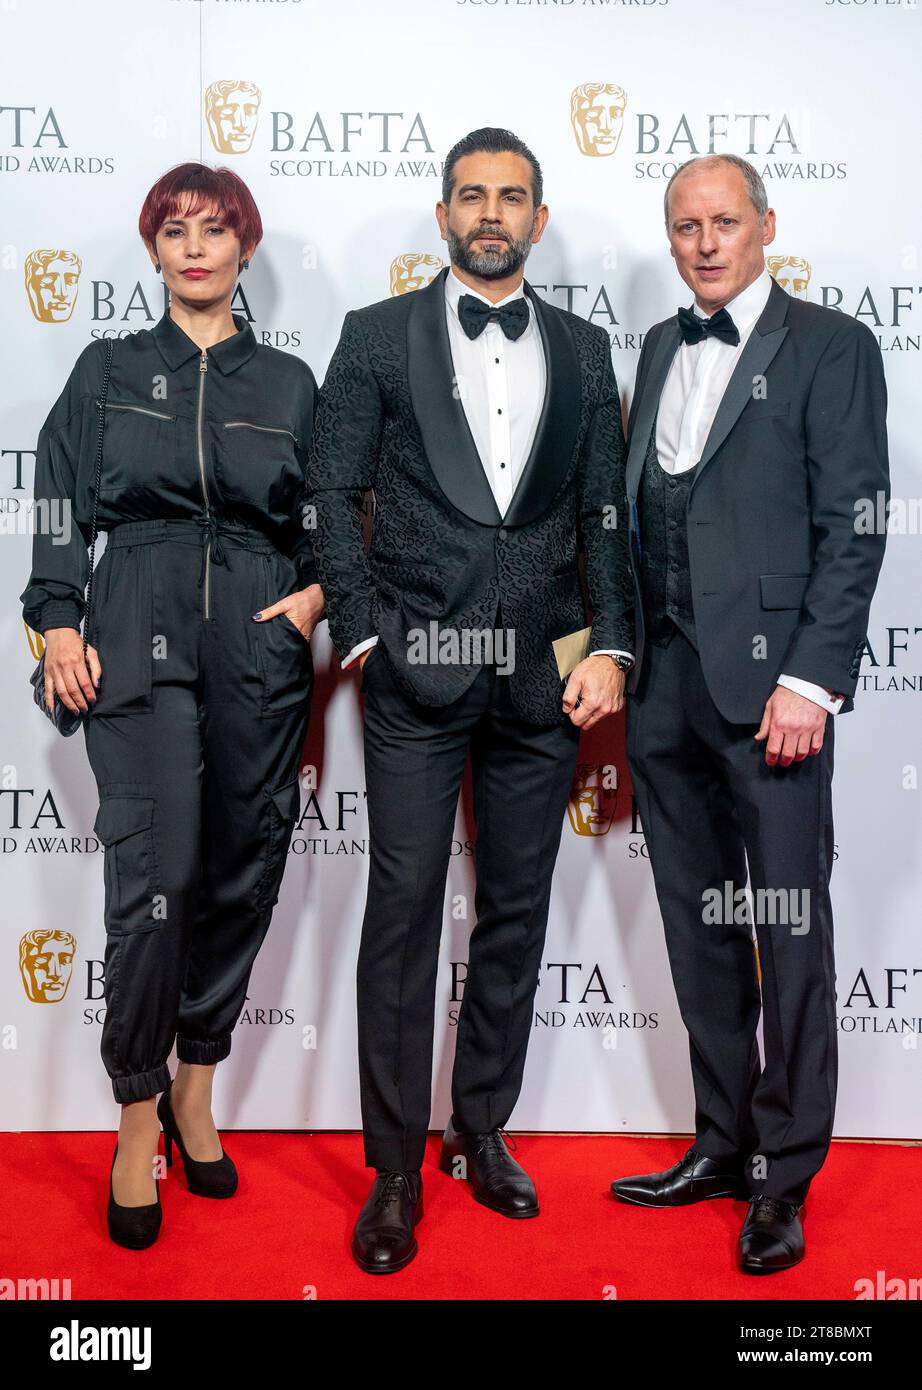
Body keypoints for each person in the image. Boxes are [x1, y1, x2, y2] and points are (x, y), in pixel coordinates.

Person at [309, 127, 634, 1274]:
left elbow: (605, 516)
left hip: (542, 681)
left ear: (539, 219)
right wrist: (363, 636)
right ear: (442, 213)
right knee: (400, 915)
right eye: (470, 195)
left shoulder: (590, 351)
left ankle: (478, 1129)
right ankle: (395, 1167)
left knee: (517, 905)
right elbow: (330, 489)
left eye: (511, 197)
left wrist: (618, 651)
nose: (489, 213)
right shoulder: (373, 339)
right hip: (418, 665)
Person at [21, 162, 324, 1249]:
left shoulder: (289, 385)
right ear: (154, 250)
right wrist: (58, 616)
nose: (196, 245)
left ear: (245, 246)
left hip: (255, 642)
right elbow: (56, 491)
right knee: (157, 877)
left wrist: (314, 597)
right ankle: (138, 1116)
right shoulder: (105, 369)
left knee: (244, 870)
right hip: (133, 633)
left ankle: (200, 1084)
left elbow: (333, 511)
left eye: (216, 227)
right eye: (176, 229)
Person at [611, 154, 889, 1273]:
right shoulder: (658, 347)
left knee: (789, 935)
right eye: (686, 225)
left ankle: (784, 1175)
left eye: (726, 221)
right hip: (667, 690)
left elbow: (855, 524)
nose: (706, 241)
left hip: (774, 691)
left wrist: (812, 680)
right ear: (670, 237)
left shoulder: (831, 348)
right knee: (699, 934)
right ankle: (721, 1144)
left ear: (765, 225)